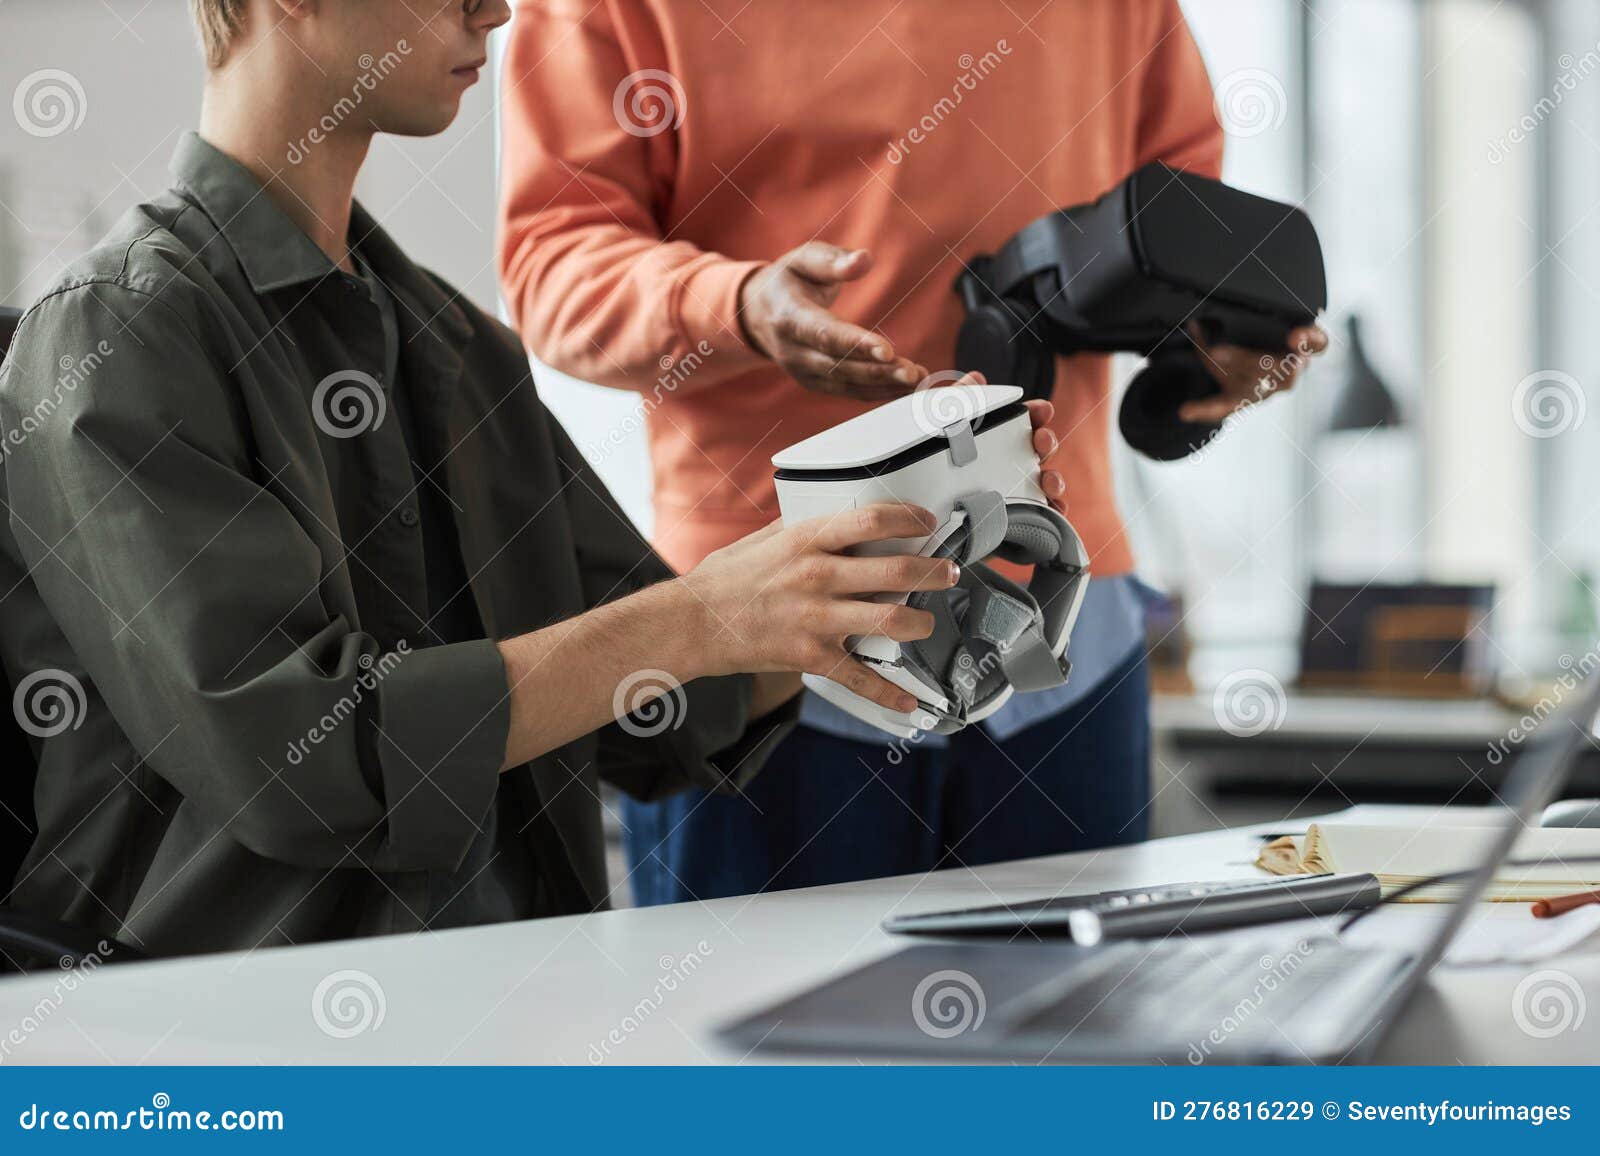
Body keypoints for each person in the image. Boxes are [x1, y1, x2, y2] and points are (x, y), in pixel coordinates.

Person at [0, 0, 1063, 957]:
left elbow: (661, 708)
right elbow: (301, 755)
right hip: (217, 1053)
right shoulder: (117, 334)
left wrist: (884, 555)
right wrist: (699, 619)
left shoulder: (461, 349)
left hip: (513, 1014)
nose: (495, 11)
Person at [497, 0, 1327, 904]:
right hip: (781, 628)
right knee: (753, 1033)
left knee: (1081, 1032)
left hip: (1061, 612)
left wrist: (1219, 339)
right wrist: (730, 306)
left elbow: (1180, 213)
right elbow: (553, 258)